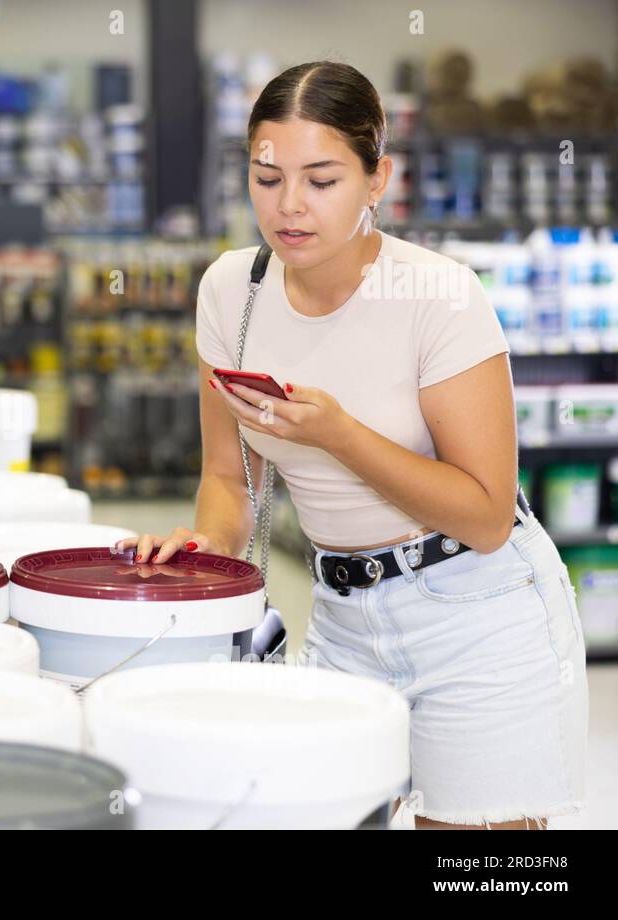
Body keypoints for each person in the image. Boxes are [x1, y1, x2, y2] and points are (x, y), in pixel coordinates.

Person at [118, 61, 588, 830]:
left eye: (322, 179)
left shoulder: (439, 296)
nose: (290, 205)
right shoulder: (231, 292)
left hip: (476, 616)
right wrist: (202, 548)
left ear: (378, 180)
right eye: (267, 177)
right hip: (341, 614)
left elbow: (485, 517)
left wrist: (340, 436)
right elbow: (229, 481)